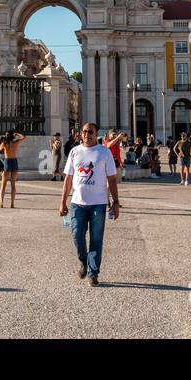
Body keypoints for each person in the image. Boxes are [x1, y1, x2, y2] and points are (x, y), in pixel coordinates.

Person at [58, 122, 120, 286]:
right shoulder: (74, 151)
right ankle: (83, 261)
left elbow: (112, 179)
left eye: (90, 131)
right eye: (84, 131)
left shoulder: (104, 152)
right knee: (77, 235)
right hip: (77, 203)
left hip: (98, 203)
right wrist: (62, 202)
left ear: (96, 133)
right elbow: (68, 179)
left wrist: (115, 202)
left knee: (96, 239)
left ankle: (93, 273)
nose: (87, 134)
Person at [0, 130, 26, 208]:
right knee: (13, 185)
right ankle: (12, 203)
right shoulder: (16, 142)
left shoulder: (5, 143)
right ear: (13, 136)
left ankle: (1, 203)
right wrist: (17, 133)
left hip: (7, 161)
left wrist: (1, 141)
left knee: (3, 184)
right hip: (14, 161)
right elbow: (24, 137)